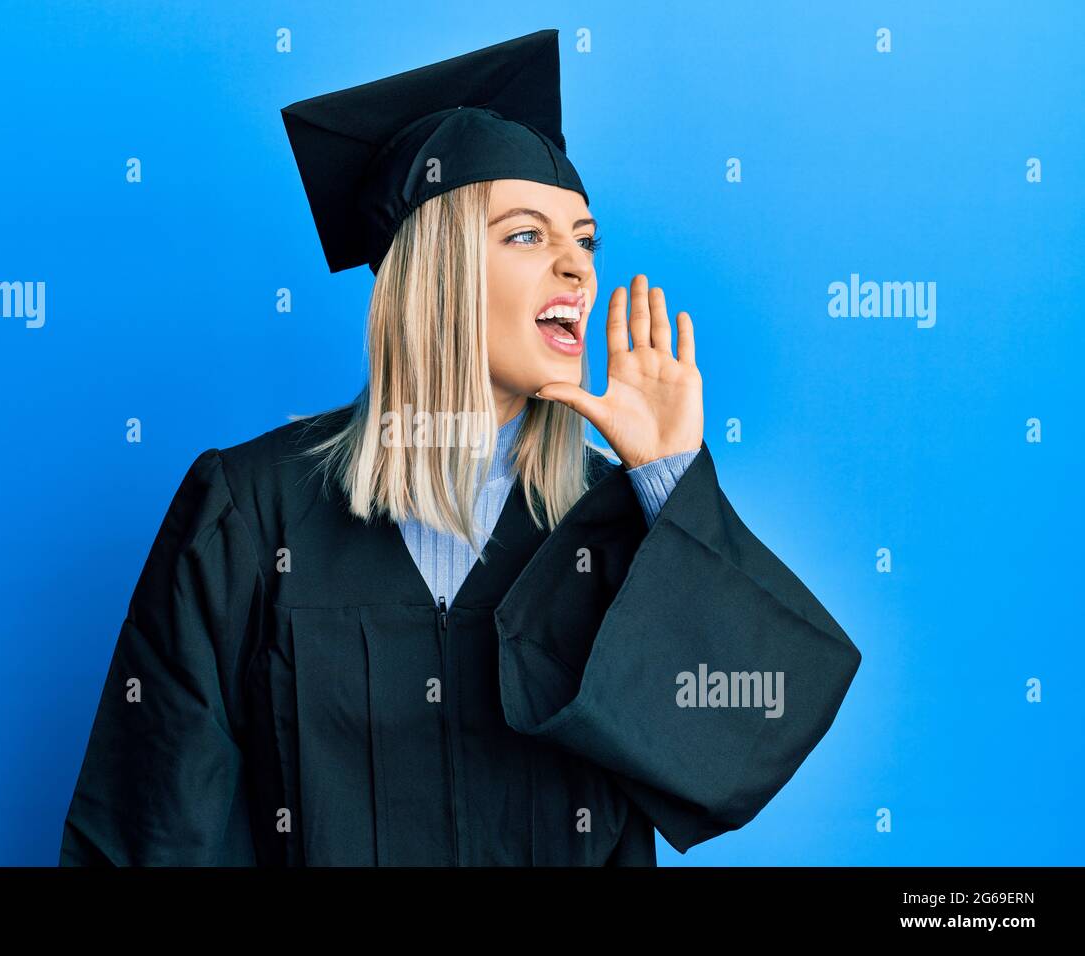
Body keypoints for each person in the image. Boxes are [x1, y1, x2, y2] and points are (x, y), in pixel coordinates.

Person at [59, 29, 862, 867]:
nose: (577, 269)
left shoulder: (608, 522)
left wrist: (668, 481)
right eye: (527, 236)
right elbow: (153, 827)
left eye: (585, 241)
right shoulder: (253, 510)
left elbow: (734, 750)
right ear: (433, 269)